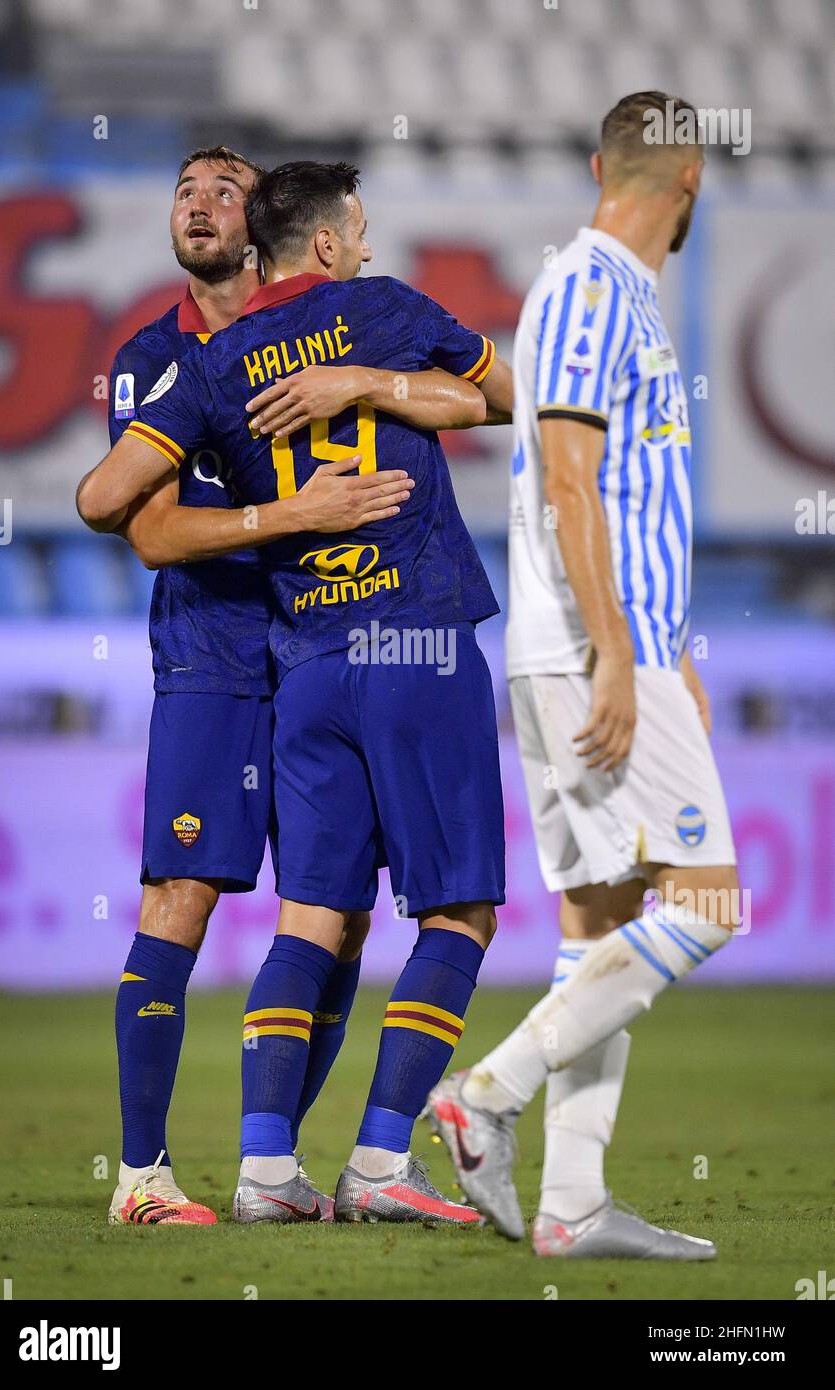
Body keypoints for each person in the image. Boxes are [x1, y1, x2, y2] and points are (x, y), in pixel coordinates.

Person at [77, 159, 514, 1226]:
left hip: (308, 656)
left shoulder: (216, 368)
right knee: (442, 905)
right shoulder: (370, 309)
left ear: (257, 225)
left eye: (225, 187)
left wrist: (358, 389)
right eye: (183, 184)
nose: (198, 200)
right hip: (300, 650)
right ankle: (218, 1169)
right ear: (325, 242)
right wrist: (301, 505)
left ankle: (272, 1169)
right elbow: (511, 399)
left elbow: (98, 494)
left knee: (327, 916)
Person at [428, 92, 738, 1261]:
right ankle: (485, 1093)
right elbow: (563, 484)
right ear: (688, 175)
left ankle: (569, 1204)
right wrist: (617, 649)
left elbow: (626, 499)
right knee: (707, 901)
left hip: (623, 643)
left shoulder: (630, 299)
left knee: (602, 913)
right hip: (583, 649)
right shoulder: (585, 283)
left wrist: (672, 647)